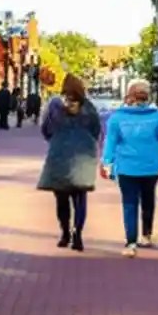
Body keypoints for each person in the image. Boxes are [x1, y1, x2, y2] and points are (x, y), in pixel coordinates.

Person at [101, 79, 158, 258]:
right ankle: (147, 234)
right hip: (151, 167)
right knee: (148, 200)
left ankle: (131, 242)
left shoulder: (118, 117)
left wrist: (107, 163)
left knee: (129, 203)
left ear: (129, 95)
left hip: (126, 167)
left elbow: (110, 142)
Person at [37, 75, 102, 252]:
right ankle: (77, 234)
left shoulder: (55, 107)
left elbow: (45, 129)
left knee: (61, 198)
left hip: (60, 156)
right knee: (80, 198)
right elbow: (96, 130)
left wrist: (57, 140)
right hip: (83, 158)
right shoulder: (89, 108)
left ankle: (65, 233)